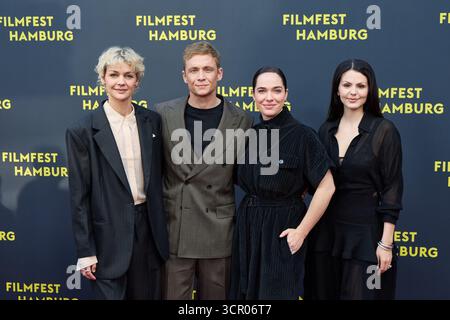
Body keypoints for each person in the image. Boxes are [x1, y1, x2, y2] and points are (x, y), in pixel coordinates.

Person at [66, 46, 169, 299]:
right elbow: (79, 197)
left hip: (149, 234)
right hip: (106, 241)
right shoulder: (83, 130)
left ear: (137, 81)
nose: (121, 82)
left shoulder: (152, 121)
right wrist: (86, 251)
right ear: (102, 78)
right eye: (114, 75)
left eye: (128, 75)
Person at [155, 41, 252, 300]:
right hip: (176, 229)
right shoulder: (163, 113)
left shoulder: (241, 119)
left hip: (218, 232)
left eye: (207, 69)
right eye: (194, 70)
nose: (201, 76)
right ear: (184, 76)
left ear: (219, 74)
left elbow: (250, 174)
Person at [228, 67, 335, 300]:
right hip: (248, 227)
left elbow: (327, 187)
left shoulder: (303, 136)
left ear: (286, 94)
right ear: (253, 95)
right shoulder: (247, 135)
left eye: (276, 90)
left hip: (284, 228)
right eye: (262, 91)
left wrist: (301, 232)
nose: (269, 97)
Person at [305, 59, 403, 300]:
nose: (353, 92)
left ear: (370, 90)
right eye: (347, 85)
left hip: (366, 236)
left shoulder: (384, 131)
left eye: (361, 86)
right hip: (326, 235)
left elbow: (392, 188)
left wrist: (386, 244)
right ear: (337, 90)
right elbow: (316, 182)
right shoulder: (325, 130)